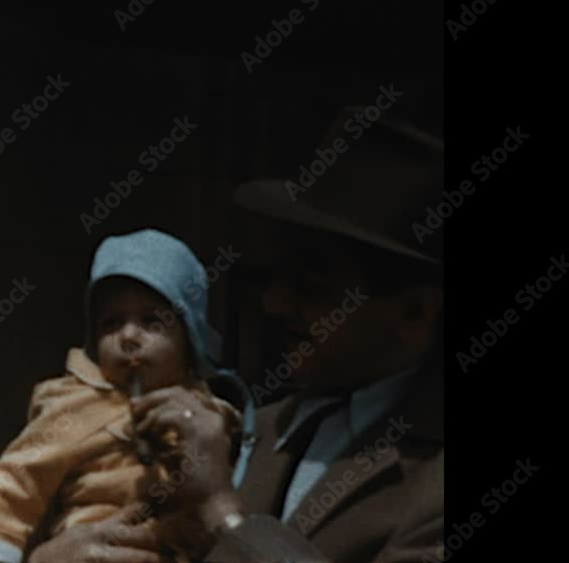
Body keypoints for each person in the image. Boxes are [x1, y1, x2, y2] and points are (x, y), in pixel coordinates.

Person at [25, 107, 445, 562]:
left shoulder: (433, 478)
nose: (275, 303)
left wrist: (222, 511)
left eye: (312, 287)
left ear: (415, 312)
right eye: (278, 279)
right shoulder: (251, 428)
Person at [0, 229, 252, 563]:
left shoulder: (209, 416)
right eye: (110, 324)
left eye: (152, 321)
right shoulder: (78, 405)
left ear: (190, 337)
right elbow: (13, 482)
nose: (128, 336)